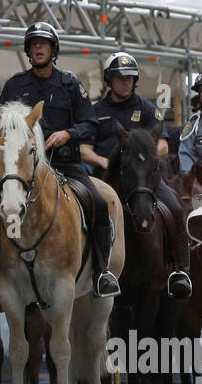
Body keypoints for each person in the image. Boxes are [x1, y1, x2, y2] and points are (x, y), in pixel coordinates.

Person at [0, 22, 120, 298]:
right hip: (22, 168)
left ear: (53, 50)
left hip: (65, 165)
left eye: (44, 44)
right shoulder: (15, 85)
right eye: (34, 44)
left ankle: (101, 272)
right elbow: (0, 126)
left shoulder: (70, 83)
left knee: (99, 203)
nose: (38, 48)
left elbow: (90, 123)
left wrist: (69, 133)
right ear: (28, 51)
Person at [80, 51, 191, 298]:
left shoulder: (147, 108)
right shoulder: (95, 111)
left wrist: (148, 157)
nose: (125, 82)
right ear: (109, 80)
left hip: (142, 178)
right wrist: (104, 159)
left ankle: (180, 271)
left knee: (175, 207)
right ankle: (86, 269)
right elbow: (83, 149)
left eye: (129, 78)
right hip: (105, 179)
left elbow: (162, 144)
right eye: (119, 77)